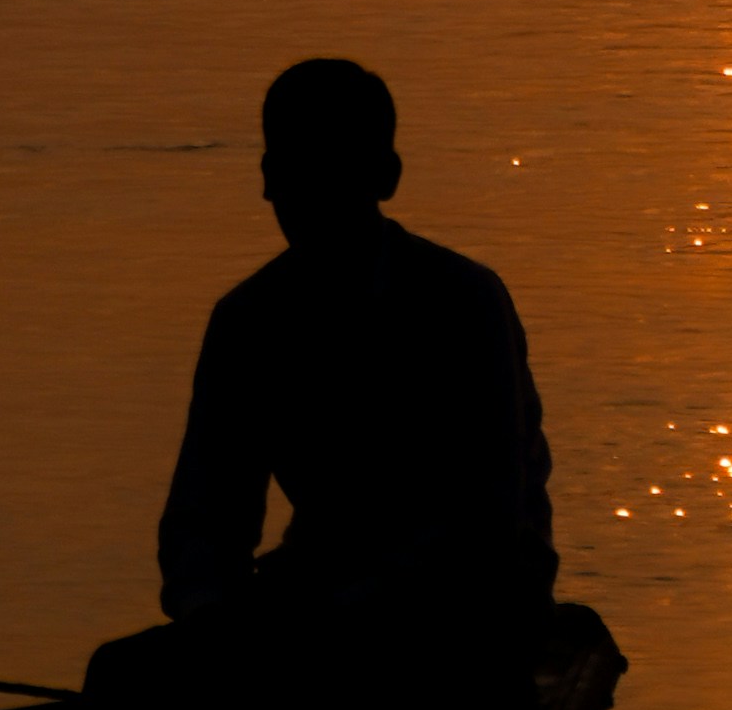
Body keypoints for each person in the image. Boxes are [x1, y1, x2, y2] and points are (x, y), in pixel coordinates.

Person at [158, 57, 557, 635]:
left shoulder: (464, 303)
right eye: (297, 171)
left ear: (384, 178)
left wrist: (342, 610)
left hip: (470, 607)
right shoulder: (246, 322)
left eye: (334, 171)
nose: (314, 196)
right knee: (120, 674)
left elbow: (488, 521)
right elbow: (205, 518)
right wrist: (210, 614)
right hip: (319, 597)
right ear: (269, 178)